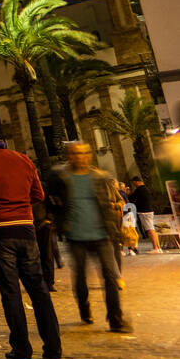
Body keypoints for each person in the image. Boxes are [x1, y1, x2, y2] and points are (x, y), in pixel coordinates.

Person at [0, 130, 62, 359]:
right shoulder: (23, 159)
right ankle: (53, 348)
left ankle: (22, 349)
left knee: (10, 293)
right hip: (26, 231)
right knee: (39, 290)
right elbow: (38, 194)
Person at [46, 141, 131, 333]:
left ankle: (116, 318)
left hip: (102, 234)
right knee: (80, 277)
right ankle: (84, 308)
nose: (80, 157)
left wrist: (114, 230)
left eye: (84, 153)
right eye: (75, 153)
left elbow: (110, 203)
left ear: (89, 155)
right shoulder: (59, 177)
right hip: (76, 235)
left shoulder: (99, 177)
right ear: (69, 155)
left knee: (110, 276)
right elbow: (51, 201)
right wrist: (57, 222)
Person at [129, 176, 162, 253]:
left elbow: (131, 199)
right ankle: (158, 248)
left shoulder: (139, 189)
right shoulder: (146, 189)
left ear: (137, 182)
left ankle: (155, 248)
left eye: (134, 183)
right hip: (149, 211)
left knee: (150, 230)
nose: (134, 185)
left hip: (144, 212)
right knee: (152, 229)